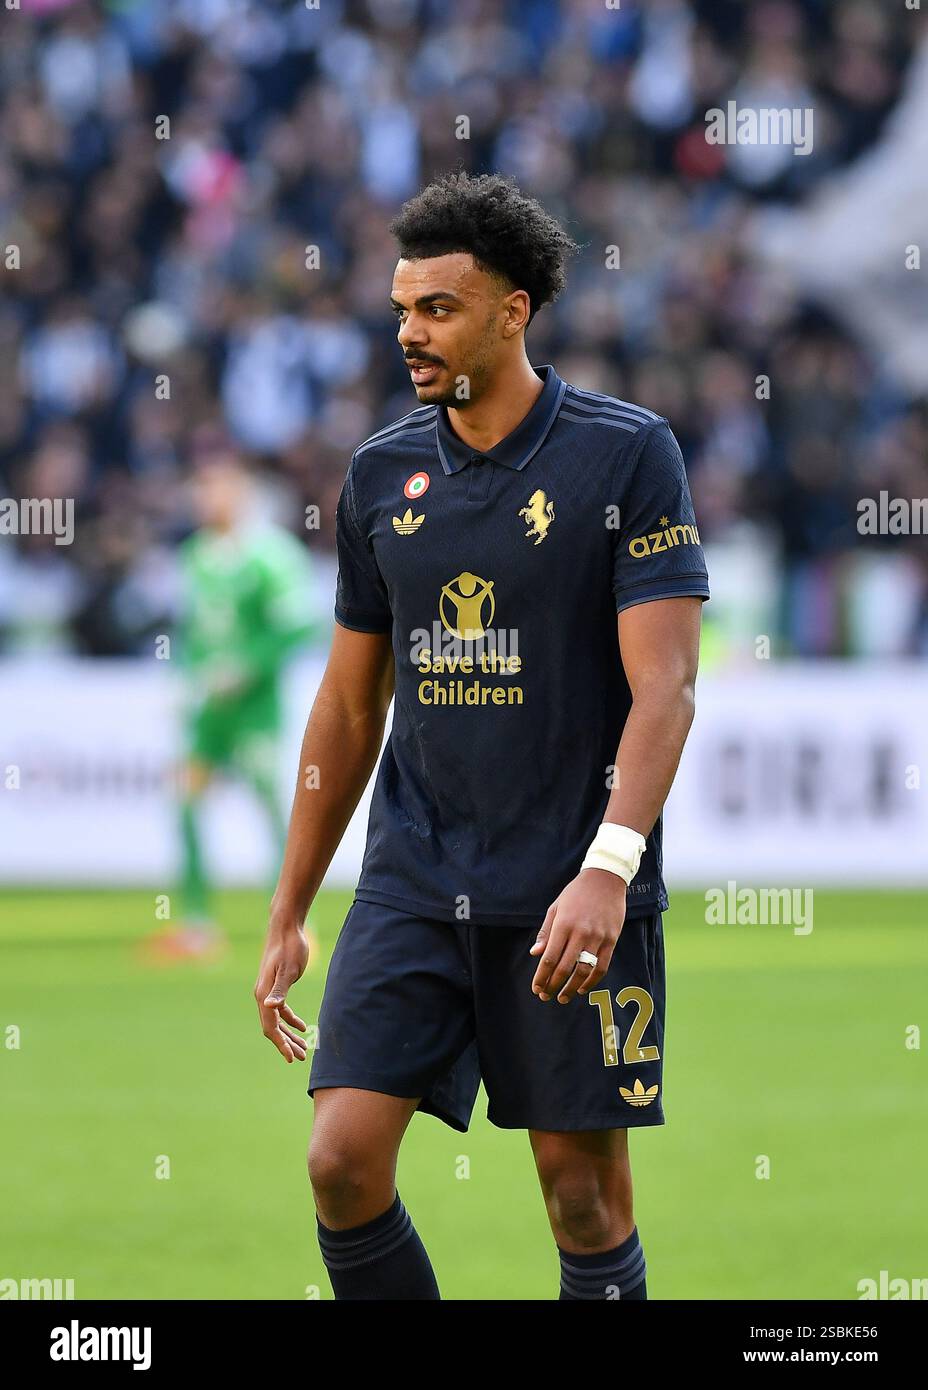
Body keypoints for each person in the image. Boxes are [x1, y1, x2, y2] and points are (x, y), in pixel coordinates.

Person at [254, 172, 710, 1299]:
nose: (410, 332)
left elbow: (668, 690)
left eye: (439, 309)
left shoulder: (625, 454)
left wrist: (608, 870)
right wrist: (290, 904)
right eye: (402, 307)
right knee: (340, 1160)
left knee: (580, 1194)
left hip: (567, 883)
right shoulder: (377, 473)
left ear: (514, 311)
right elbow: (351, 706)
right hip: (414, 879)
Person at [143, 447, 317, 963]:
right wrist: (180, 680)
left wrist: (245, 668)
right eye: (200, 489)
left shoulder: (271, 555)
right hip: (209, 716)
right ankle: (198, 925)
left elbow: (295, 630)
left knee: (271, 812)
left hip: (255, 712)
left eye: (216, 488)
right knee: (186, 804)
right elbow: (191, 632)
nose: (205, 499)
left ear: (240, 494)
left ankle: (294, 925)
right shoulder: (196, 555)